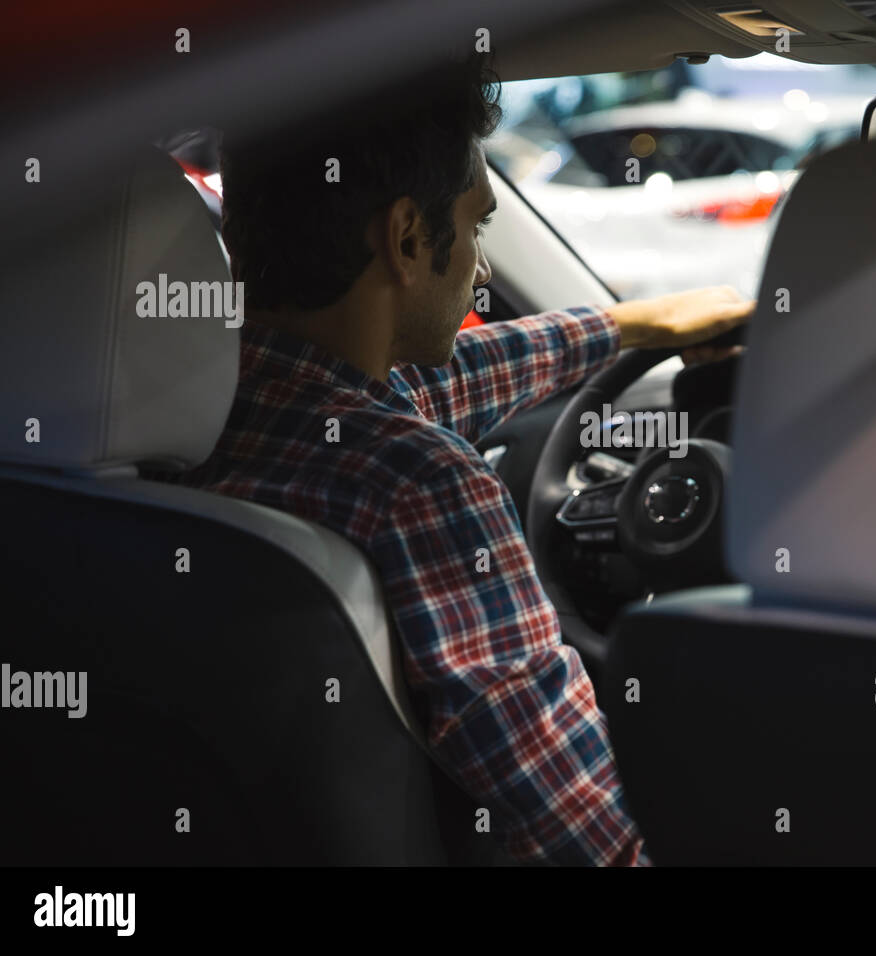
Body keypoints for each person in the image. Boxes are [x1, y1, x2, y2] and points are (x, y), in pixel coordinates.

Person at [150, 53, 752, 865]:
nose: (484, 266)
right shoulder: (422, 487)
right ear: (405, 237)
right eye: (476, 227)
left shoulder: (189, 412)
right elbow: (588, 828)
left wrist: (630, 327)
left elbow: (421, 388)